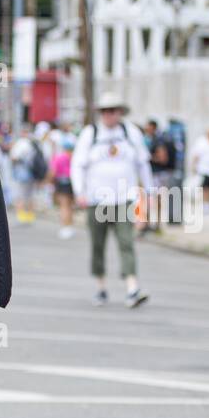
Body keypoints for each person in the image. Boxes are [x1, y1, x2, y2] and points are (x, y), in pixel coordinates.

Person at [71, 92, 152, 308]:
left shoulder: (130, 133)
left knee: (127, 242)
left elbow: (143, 164)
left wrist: (148, 193)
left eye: (113, 111)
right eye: (105, 111)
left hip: (124, 198)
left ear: (120, 112)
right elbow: (78, 164)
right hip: (97, 199)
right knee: (98, 244)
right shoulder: (91, 134)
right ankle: (101, 287)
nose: (109, 115)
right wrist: (80, 191)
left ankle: (132, 287)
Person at [142, 119, 175, 233]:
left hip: (158, 174)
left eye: (148, 127)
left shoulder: (158, 141)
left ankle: (157, 223)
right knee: (147, 199)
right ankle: (147, 222)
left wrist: (148, 158)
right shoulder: (146, 140)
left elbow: (163, 158)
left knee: (156, 199)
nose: (146, 129)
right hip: (150, 173)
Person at [49, 138, 75, 239]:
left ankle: (65, 226)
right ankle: (70, 225)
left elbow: (53, 172)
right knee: (70, 205)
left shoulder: (59, 157)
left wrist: (50, 181)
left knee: (64, 206)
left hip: (62, 182)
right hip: (71, 181)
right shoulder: (73, 157)